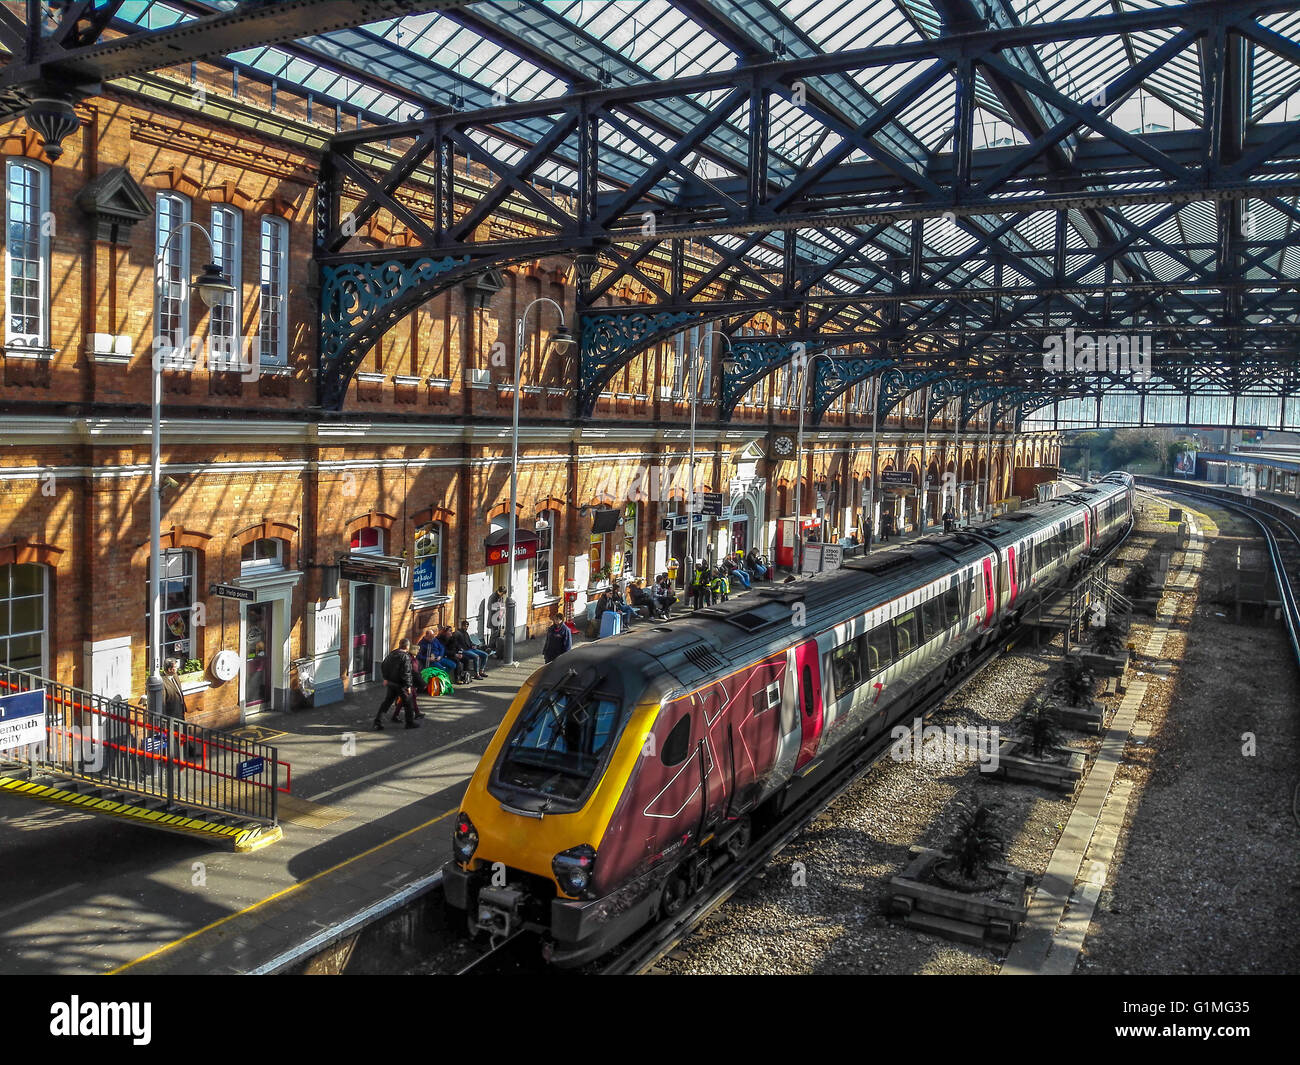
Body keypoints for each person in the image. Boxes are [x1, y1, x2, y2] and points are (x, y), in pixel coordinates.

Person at [374, 638, 418, 730]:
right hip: (401, 684)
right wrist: (408, 685)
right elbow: (406, 672)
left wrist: (386, 678)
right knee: (408, 703)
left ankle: (378, 721)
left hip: (391, 683)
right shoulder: (405, 657)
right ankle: (409, 723)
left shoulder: (392, 654)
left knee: (387, 702)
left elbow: (384, 665)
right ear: (407, 646)